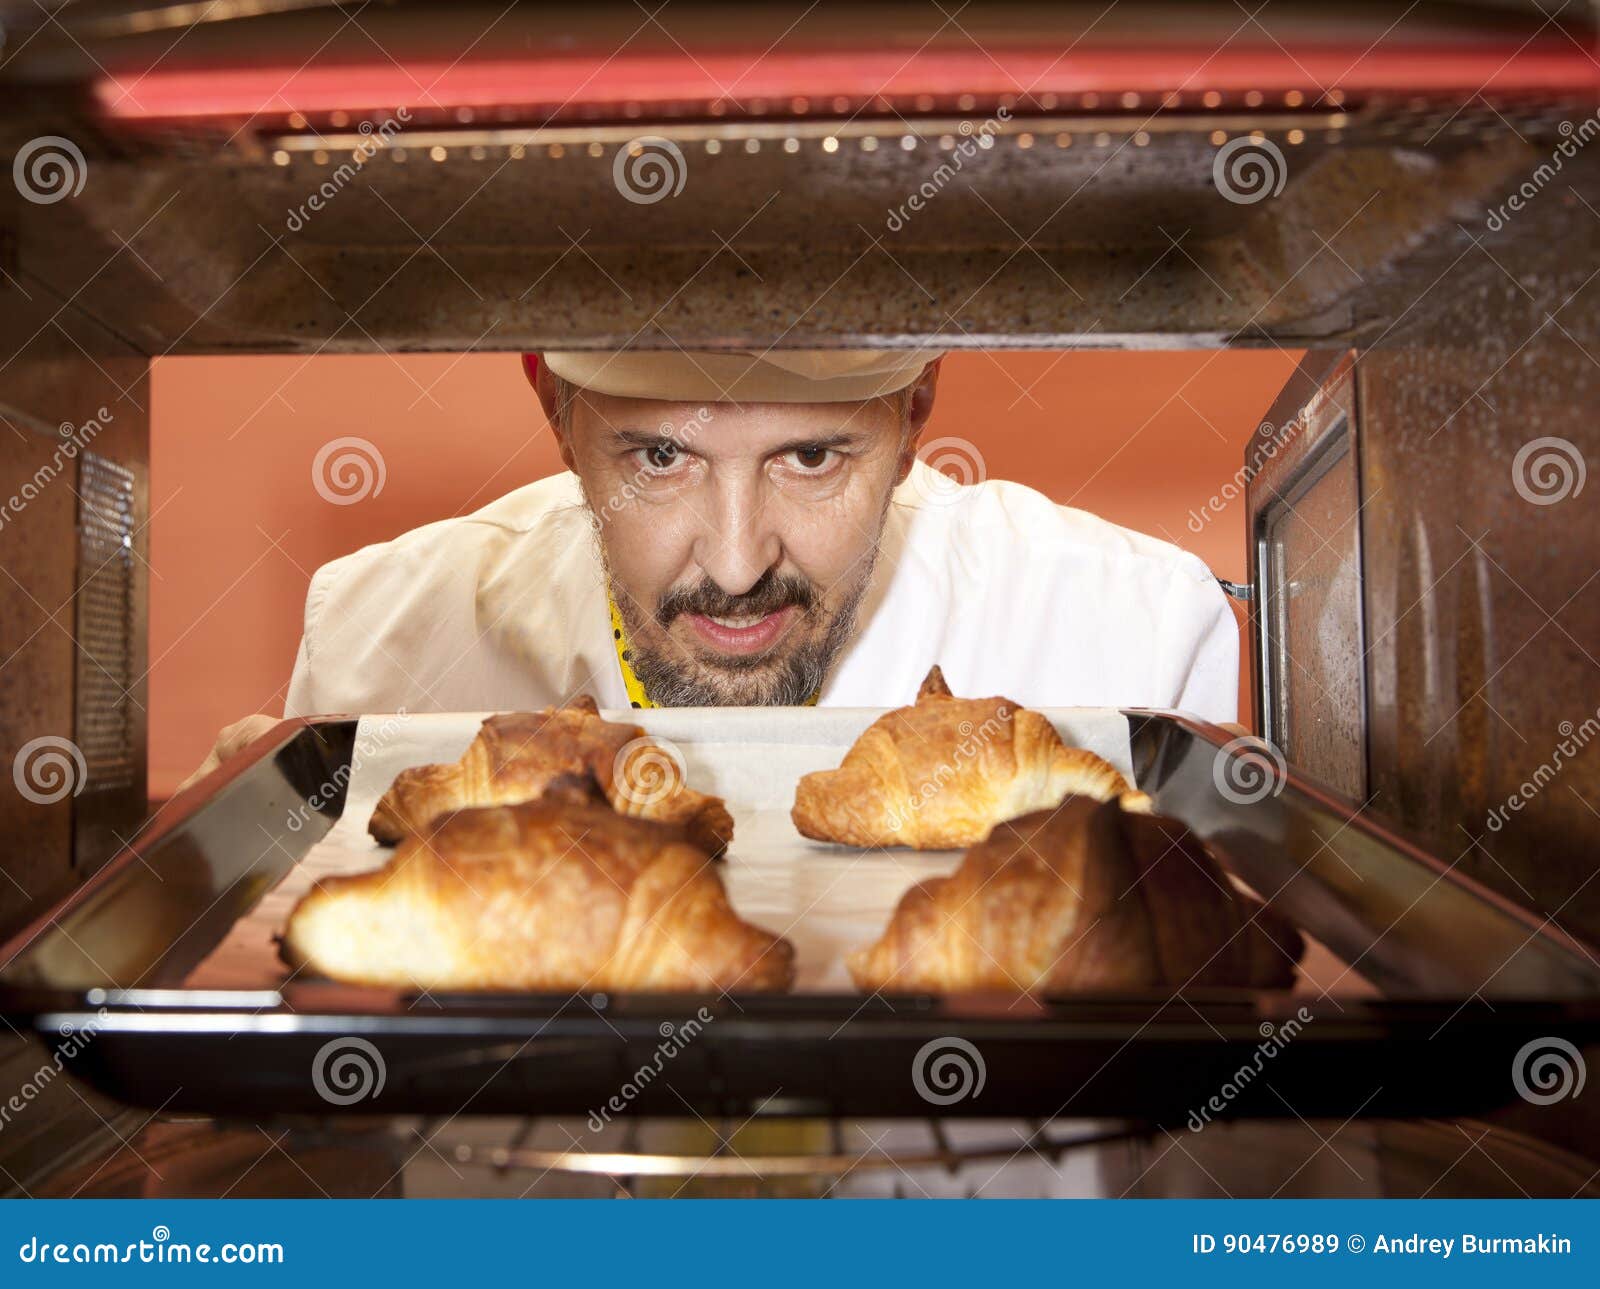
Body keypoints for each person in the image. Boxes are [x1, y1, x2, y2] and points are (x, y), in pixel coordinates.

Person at [182, 349, 1237, 784]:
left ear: (914, 414)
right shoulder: (382, 637)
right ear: (555, 408)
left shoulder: (1128, 638)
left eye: (812, 457)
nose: (736, 566)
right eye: (661, 456)